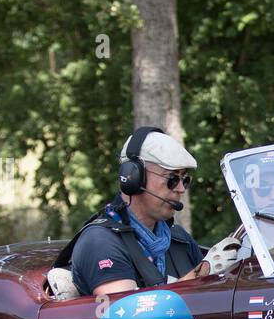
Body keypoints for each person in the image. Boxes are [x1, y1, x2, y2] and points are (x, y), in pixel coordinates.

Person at [59, 126, 211, 298]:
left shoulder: (179, 240)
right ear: (133, 177)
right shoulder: (100, 243)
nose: (181, 188)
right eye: (172, 179)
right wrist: (193, 280)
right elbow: (129, 315)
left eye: (185, 179)